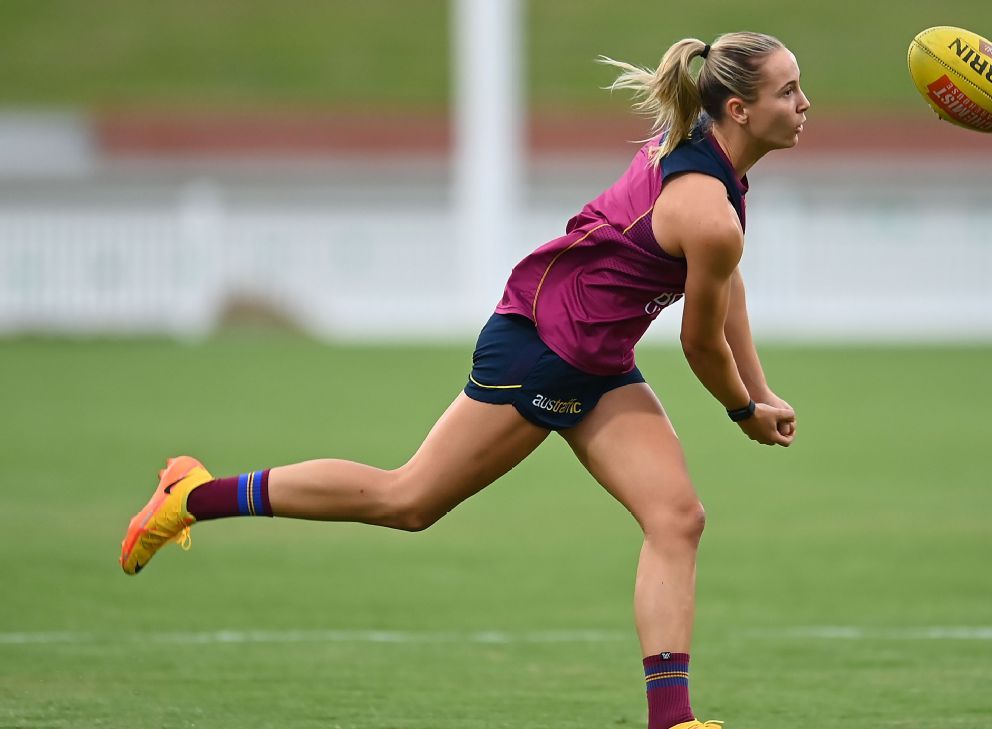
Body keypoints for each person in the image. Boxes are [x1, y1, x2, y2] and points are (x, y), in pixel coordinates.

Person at [120, 31, 809, 729]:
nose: (804, 103)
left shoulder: (708, 159)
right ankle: (194, 494)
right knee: (407, 499)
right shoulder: (707, 208)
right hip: (539, 351)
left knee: (677, 517)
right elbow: (699, 342)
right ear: (739, 110)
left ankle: (672, 720)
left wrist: (762, 389)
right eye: (787, 91)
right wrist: (742, 409)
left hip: (595, 356)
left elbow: (724, 285)